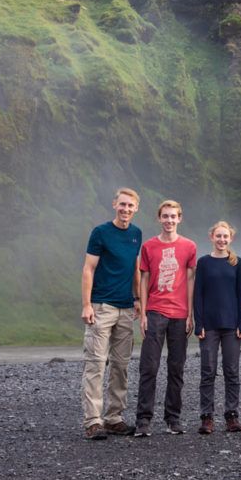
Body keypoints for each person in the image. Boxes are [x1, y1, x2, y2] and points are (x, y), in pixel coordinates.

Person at [80, 188, 142, 440]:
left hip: (126, 308)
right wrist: (86, 304)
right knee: (95, 364)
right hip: (101, 306)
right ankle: (93, 421)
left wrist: (137, 298)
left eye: (131, 206)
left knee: (121, 365)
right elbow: (88, 269)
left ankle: (114, 417)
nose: (126, 209)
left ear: (136, 209)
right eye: (122, 204)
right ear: (114, 204)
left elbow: (136, 269)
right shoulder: (101, 232)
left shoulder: (136, 234)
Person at [134, 199, 197, 436]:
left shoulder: (189, 246)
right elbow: (144, 279)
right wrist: (143, 311)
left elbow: (190, 280)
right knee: (149, 366)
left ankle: (173, 418)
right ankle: (143, 420)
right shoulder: (149, 246)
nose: (169, 220)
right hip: (156, 312)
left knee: (176, 368)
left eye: (173, 216)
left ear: (180, 218)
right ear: (159, 218)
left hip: (180, 314)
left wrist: (190, 313)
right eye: (165, 216)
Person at [193, 221, 241, 434]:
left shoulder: (237, 262)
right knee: (208, 371)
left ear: (230, 238)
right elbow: (198, 295)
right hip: (209, 325)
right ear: (211, 237)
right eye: (219, 236)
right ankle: (207, 417)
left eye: (226, 236)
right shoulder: (204, 262)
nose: (222, 240)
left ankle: (231, 416)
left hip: (232, 325)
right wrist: (199, 324)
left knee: (232, 371)